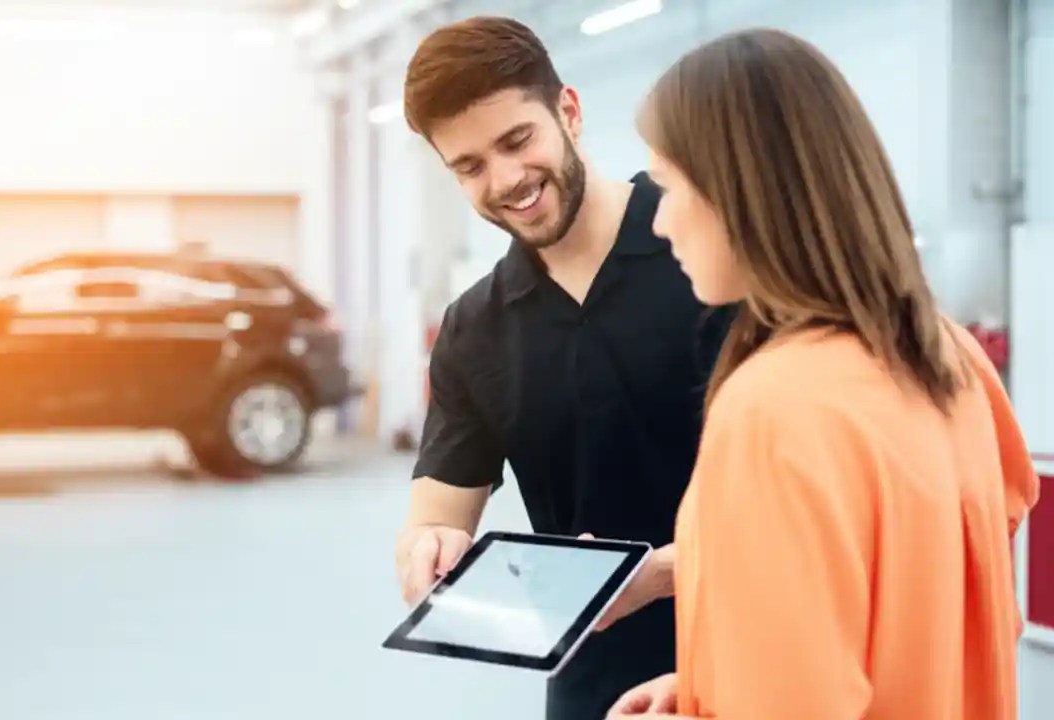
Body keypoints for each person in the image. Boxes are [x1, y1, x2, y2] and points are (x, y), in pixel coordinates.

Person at [607, 27, 1041, 719]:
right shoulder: (951, 359)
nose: (660, 226)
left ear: (741, 193)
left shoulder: (772, 409)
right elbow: (927, 597)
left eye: (668, 187)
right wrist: (705, 687)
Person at [392, 16, 731, 720]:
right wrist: (430, 551)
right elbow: (432, 520)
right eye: (470, 166)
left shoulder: (712, 244)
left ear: (568, 112)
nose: (507, 180)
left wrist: (659, 575)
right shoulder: (475, 329)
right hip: (595, 695)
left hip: (758, 660)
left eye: (517, 140)